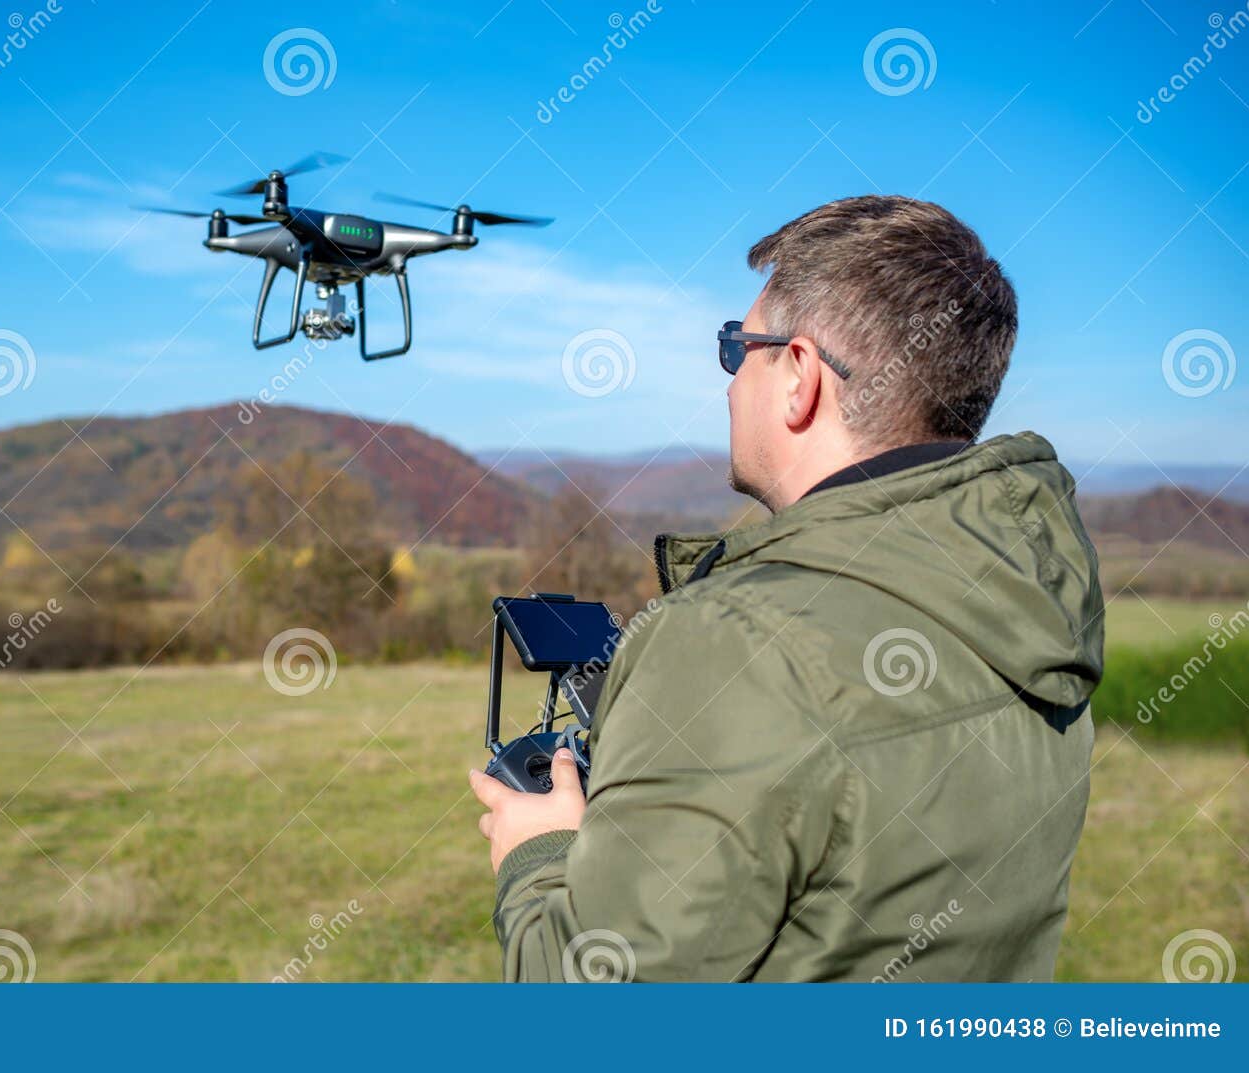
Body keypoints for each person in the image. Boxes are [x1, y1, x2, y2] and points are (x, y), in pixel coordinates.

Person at [470, 195, 1104, 982]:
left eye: (737, 349)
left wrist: (541, 853)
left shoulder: (732, 643)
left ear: (799, 375)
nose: (730, 383)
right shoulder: (1035, 603)